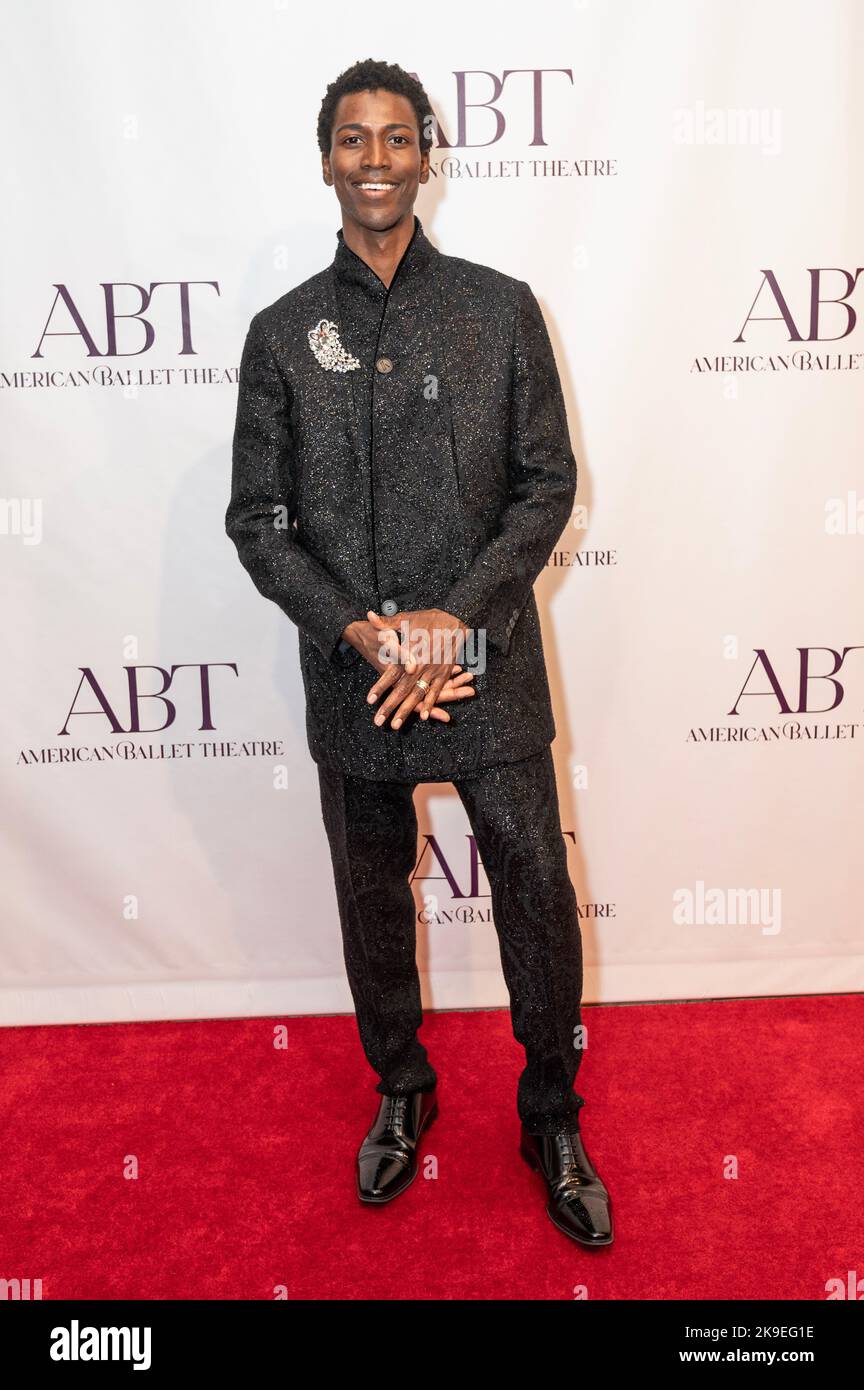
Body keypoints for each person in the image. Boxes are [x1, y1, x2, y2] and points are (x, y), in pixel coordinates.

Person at [225, 57, 613, 1247]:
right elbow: (259, 517)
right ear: (327, 156)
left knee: (538, 895)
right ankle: (402, 1086)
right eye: (355, 139)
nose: (377, 159)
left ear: (430, 153)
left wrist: (458, 617)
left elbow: (548, 485)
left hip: (484, 665)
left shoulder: (502, 308)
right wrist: (359, 628)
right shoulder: (283, 333)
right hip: (357, 677)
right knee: (368, 896)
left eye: (398, 138)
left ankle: (550, 1110)